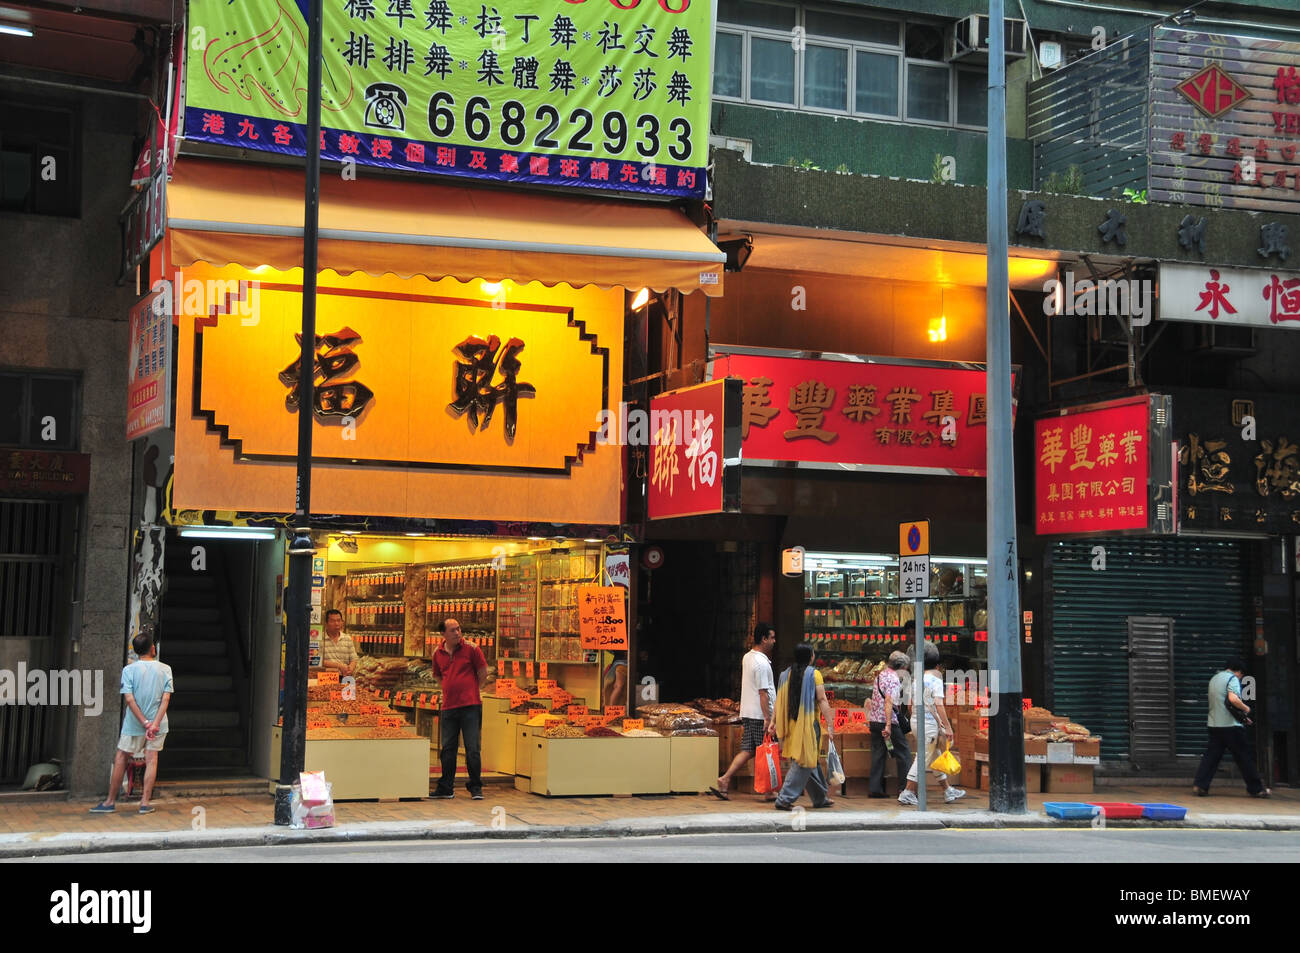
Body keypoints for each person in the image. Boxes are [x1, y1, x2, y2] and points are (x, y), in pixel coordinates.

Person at [89, 633, 174, 815]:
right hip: (158, 724)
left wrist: (144, 723)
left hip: (134, 723)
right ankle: (144, 803)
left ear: (136, 652)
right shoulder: (165, 669)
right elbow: (166, 699)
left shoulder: (129, 670)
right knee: (152, 760)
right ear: (153, 648)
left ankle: (110, 802)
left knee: (121, 757)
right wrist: (154, 724)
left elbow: (129, 699)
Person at [712, 622, 777, 801]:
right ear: (763, 639)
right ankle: (769, 790)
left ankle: (724, 779)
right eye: (771, 637)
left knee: (749, 749)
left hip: (748, 712)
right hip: (759, 714)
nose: (774, 641)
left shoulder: (748, 657)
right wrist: (768, 717)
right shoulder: (761, 664)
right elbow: (763, 692)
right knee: (766, 749)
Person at [898, 641, 965, 805]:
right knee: (922, 757)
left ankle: (948, 790)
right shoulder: (935, 680)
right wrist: (947, 726)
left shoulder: (916, 680)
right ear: (938, 665)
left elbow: (909, 704)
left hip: (916, 722)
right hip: (928, 726)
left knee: (933, 756)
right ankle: (908, 791)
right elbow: (939, 704)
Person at [1193, 659, 1270, 798]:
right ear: (1239, 671)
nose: (1240, 678)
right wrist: (1246, 708)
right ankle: (1256, 789)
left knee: (1211, 758)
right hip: (1231, 727)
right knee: (1244, 757)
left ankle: (1200, 785)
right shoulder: (1232, 679)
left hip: (1214, 725)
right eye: (1241, 675)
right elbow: (1233, 700)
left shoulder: (1214, 678)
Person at [772, 642, 835, 810]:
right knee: (803, 761)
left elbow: (778, 701)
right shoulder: (814, 675)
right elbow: (822, 700)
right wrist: (830, 723)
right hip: (808, 724)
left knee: (810, 759)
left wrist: (773, 721)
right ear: (811, 657)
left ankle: (820, 797)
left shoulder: (785, 674)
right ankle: (784, 798)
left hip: (791, 724)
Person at [431, 618, 488, 800]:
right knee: (448, 748)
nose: (457, 633)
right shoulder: (437, 653)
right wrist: (450, 688)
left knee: (472, 748)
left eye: (459, 629)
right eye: (453, 630)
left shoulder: (472, 648)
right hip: (449, 706)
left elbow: (482, 672)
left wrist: (471, 690)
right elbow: (438, 676)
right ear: (443, 634)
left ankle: (476, 786)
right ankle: (446, 787)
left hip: (470, 706)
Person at [868, 651, 912, 798]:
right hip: (888, 721)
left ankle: (875, 788)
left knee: (878, 754)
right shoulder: (893, 679)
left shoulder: (880, 675)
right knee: (904, 753)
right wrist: (888, 725)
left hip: (874, 720)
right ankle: (905, 789)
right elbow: (888, 701)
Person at [319, 608, 357, 676]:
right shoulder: (320, 639)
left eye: (339, 620)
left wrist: (350, 668)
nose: (336, 624)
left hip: (345, 677)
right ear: (326, 623)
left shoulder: (347, 638)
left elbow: (353, 659)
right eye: (332, 621)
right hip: (326, 677)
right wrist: (339, 666)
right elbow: (317, 660)